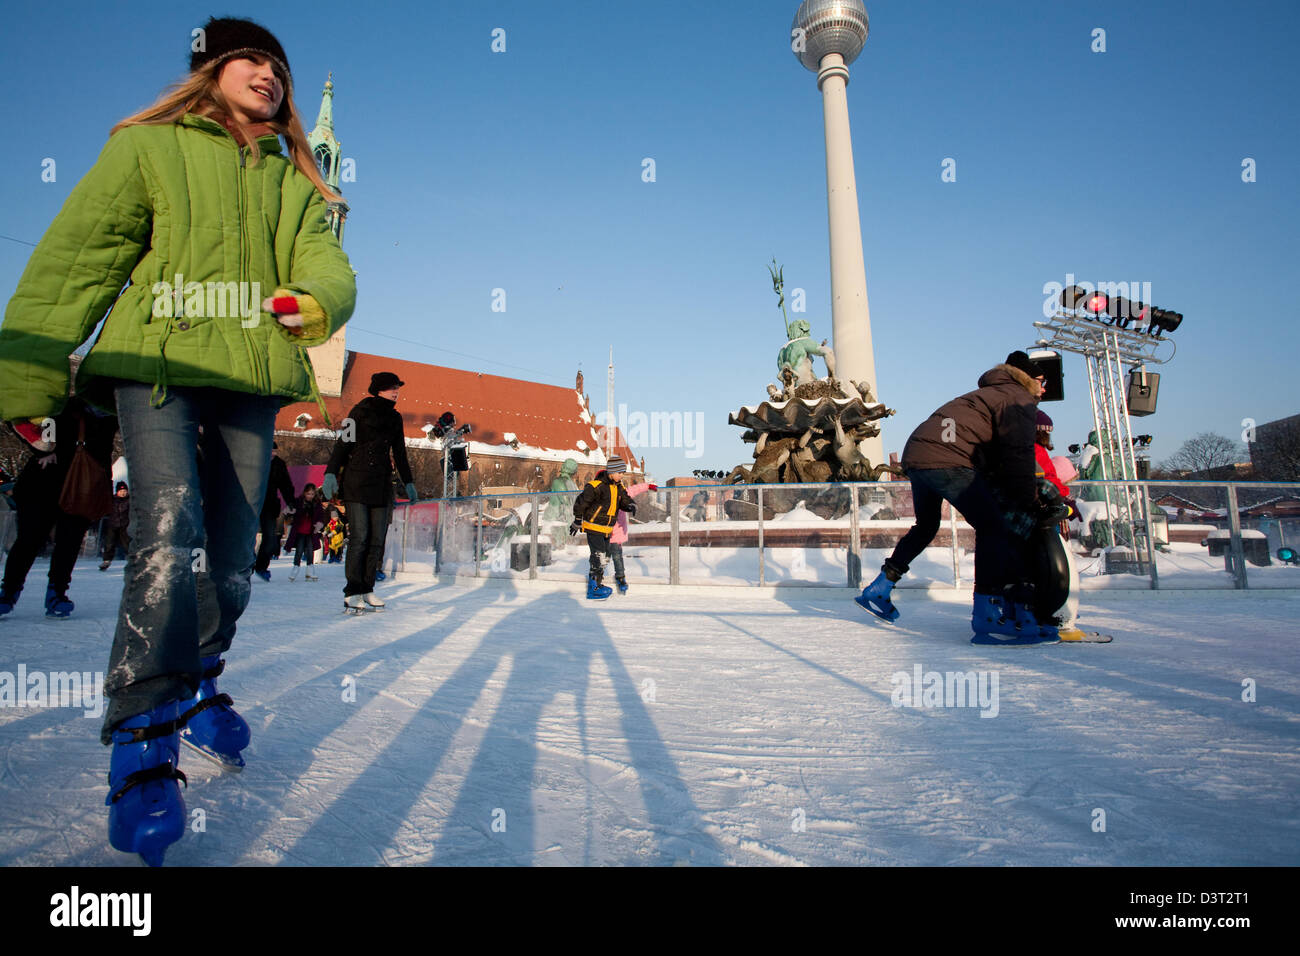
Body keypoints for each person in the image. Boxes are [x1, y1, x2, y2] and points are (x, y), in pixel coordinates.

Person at [0, 17, 356, 864]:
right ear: (208, 70)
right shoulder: (148, 148)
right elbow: (78, 259)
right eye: (250, 58)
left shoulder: (299, 184)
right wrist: (27, 373)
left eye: (279, 65)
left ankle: (198, 678)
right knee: (168, 526)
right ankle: (145, 731)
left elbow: (328, 265)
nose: (268, 72)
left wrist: (315, 299)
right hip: (154, 359)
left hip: (251, 375)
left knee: (233, 554)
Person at [856, 351, 1056, 644]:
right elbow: (1018, 454)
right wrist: (1029, 499)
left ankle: (881, 586)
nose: (1044, 387)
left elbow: (987, 451)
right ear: (1026, 379)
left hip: (917, 454)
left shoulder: (984, 394)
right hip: (947, 460)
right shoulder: (1017, 398)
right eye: (1041, 380)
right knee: (994, 529)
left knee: (926, 526)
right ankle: (988, 616)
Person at [0, 399, 117, 617]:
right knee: (30, 540)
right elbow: (19, 420)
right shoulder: (64, 408)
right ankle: (9, 592)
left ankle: (56, 592)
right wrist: (42, 450)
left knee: (68, 542)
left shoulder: (112, 418)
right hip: (46, 482)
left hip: (83, 488)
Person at [323, 371, 416, 611]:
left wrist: (409, 482)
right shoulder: (358, 412)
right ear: (378, 389)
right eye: (391, 387)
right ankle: (352, 590)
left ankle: (367, 588)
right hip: (357, 481)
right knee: (360, 537)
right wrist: (331, 472)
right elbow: (343, 443)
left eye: (397, 387)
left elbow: (400, 452)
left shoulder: (395, 418)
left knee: (377, 540)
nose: (396, 391)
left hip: (381, 483)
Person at [571, 455, 637, 599]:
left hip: (607, 529)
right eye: (619, 473)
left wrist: (630, 505)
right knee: (599, 555)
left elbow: (624, 500)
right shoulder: (596, 486)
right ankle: (593, 587)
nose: (621, 476)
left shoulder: (619, 487)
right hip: (594, 526)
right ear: (611, 472)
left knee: (605, 557)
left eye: (622, 473)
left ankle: (597, 584)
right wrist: (577, 520)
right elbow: (581, 502)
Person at [254, 443, 296, 581]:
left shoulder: (279, 464)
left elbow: (286, 485)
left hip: (269, 505)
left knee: (270, 539)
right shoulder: (254, 460)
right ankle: (245, 566)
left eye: (274, 451)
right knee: (247, 537)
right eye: (270, 451)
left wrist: (291, 502)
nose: (272, 454)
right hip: (252, 502)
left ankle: (261, 566)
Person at [607, 477, 657, 594]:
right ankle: (596, 577)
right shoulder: (602, 494)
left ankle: (620, 577)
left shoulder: (622, 493)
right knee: (601, 557)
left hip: (616, 533)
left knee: (617, 557)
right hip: (602, 531)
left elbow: (634, 489)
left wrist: (648, 486)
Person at [286, 482, 325, 580]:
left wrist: (318, 526)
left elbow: (321, 516)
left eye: (312, 494)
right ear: (304, 493)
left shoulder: (317, 504)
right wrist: (290, 512)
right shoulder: (299, 502)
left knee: (310, 552)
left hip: (311, 532)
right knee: (299, 551)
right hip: (300, 532)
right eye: (308, 494)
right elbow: (289, 512)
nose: (310, 496)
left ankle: (310, 569)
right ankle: (295, 568)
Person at [98, 481, 132, 570]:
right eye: (121, 491)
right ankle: (106, 561)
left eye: (125, 491)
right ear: (117, 491)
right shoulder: (112, 499)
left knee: (127, 543)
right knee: (109, 543)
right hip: (112, 525)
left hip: (125, 525)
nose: (123, 493)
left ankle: (133, 560)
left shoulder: (130, 500)